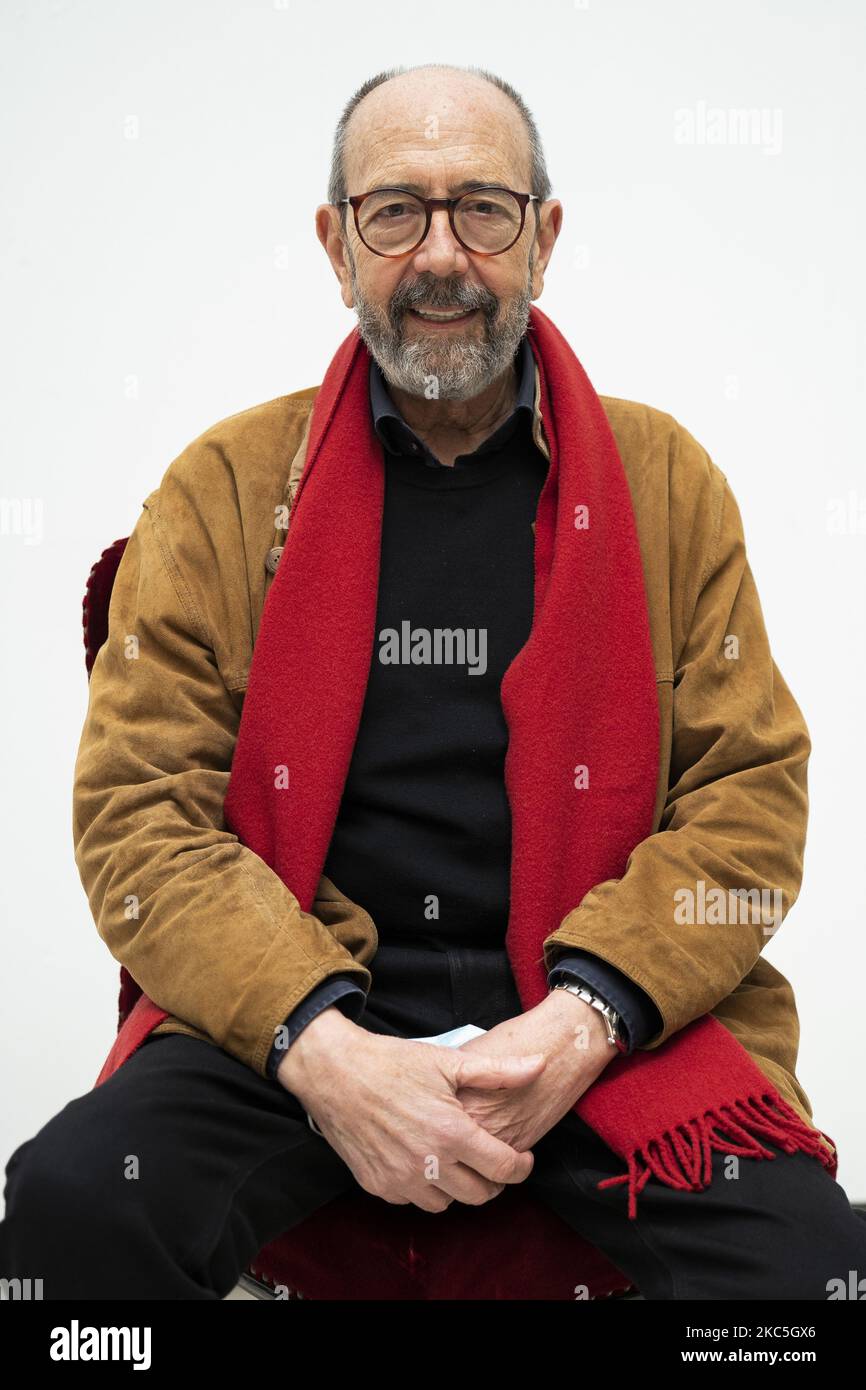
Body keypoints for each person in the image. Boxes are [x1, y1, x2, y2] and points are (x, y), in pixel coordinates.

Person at [2, 62, 865, 1301]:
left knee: (807, 1281)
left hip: (584, 1020)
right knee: (75, 1205)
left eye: (483, 209)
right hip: (298, 1018)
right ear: (336, 243)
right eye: (395, 211)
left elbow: (750, 799)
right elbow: (139, 818)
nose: (441, 256)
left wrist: (581, 1022)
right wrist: (323, 1050)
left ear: (544, 235)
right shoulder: (226, 487)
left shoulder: (663, 480)